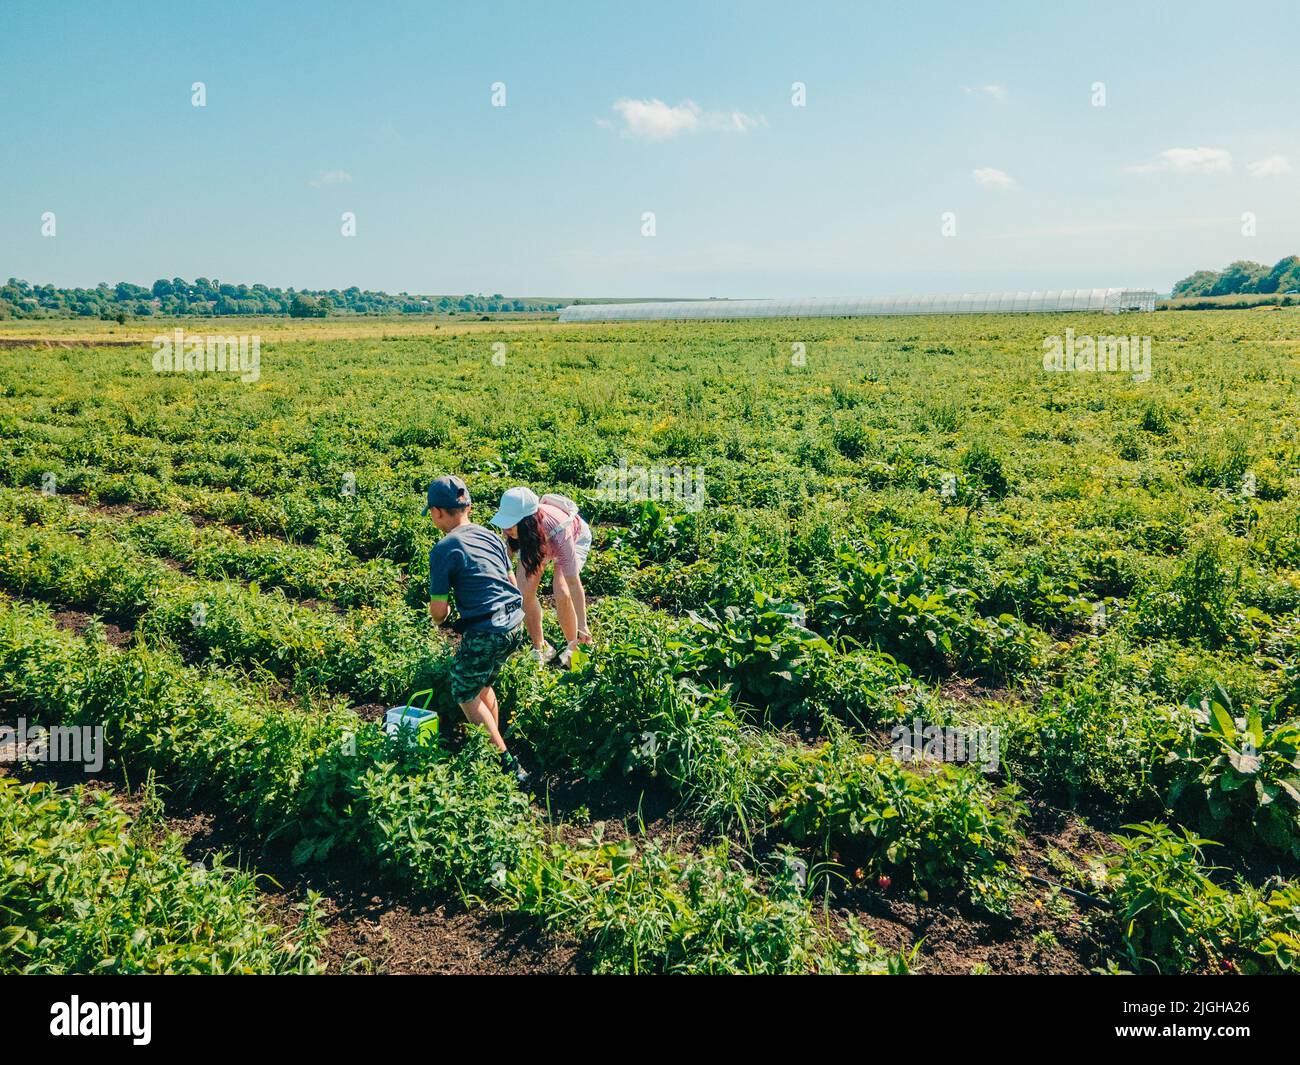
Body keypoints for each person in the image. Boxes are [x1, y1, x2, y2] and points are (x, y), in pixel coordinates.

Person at [423, 475, 529, 781]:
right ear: (467, 506)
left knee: (463, 688)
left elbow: (439, 611)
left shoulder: (444, 548)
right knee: (482, 686)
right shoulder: (492, 537)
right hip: (514, 623)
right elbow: (511, 584)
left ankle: (508, 764)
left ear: (439, 512)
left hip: (487, 629)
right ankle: (487, 747)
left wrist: (440, 620)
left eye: (431, 512)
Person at [489, 486, 592, 668]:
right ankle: (541, 648)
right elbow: (503, 560)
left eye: (510, 524)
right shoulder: (519, 532)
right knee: (524, 591)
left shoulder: (560, 530)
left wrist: (583, 624)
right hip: (537, 541)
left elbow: (573, 583)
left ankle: (574, 648)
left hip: (573, 538)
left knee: (562, 590)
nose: (505, 530)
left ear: (526, 521)